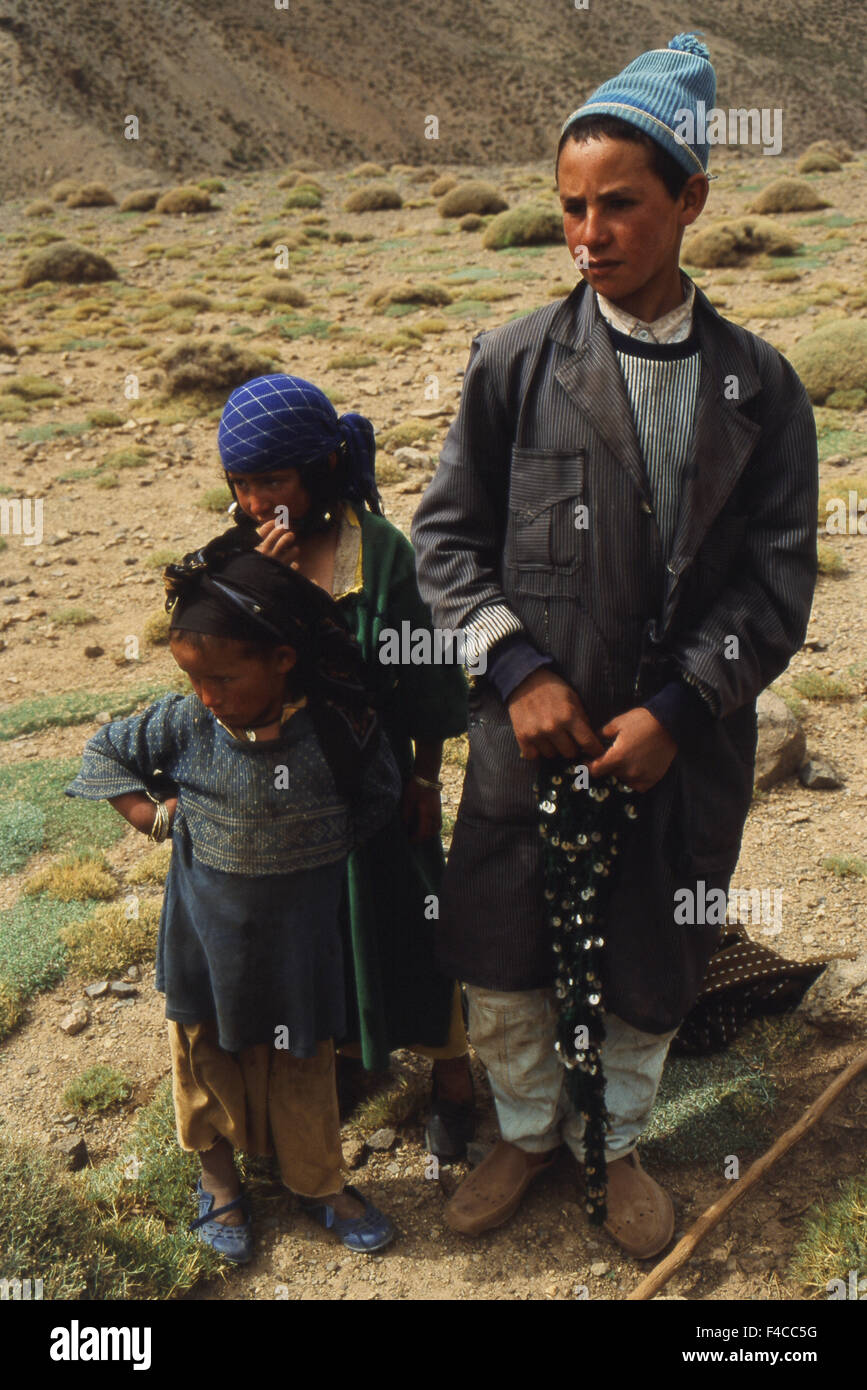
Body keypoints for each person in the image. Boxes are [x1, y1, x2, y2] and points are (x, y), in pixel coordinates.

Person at [411, 33, 818, 1258]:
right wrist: (519, 671)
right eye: (571, 209)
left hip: (676, 751)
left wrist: (684, 707)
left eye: (621, 205)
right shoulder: (514, 364)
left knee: (657, 945)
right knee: (505, 944)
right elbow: (445, 545)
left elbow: (777, 580)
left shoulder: (762, 389)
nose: (590, 234)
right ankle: (527, 1131)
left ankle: (613, 1142)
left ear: (691, 198)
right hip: (524, 741)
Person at [66, 546, 403, 1261]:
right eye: (192, 678)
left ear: (282, 659)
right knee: (205, 1051)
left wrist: (319, 848)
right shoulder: (185, 725)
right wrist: (150, 816)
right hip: (203, 931)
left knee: (303, 1058)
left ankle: (317, 1184)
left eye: (222, 677)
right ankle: (219, 1183)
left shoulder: (338, 732)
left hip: (300, 938)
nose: (207, 694)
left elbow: (379, 794)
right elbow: (103, 754)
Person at [213, 373, 474, 1159]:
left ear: (322, 469)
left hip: (380, 783)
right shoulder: (235, 553)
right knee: (318, 934)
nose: (260, 500)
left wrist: (425, 776)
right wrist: (266, 588)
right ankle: (353, 1057)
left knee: (412, 917)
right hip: (285, 798)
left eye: (275, 480)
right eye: (245, 482)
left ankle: (452, 1077)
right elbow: (222, 671)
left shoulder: (382, 555)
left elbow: (427, 672)